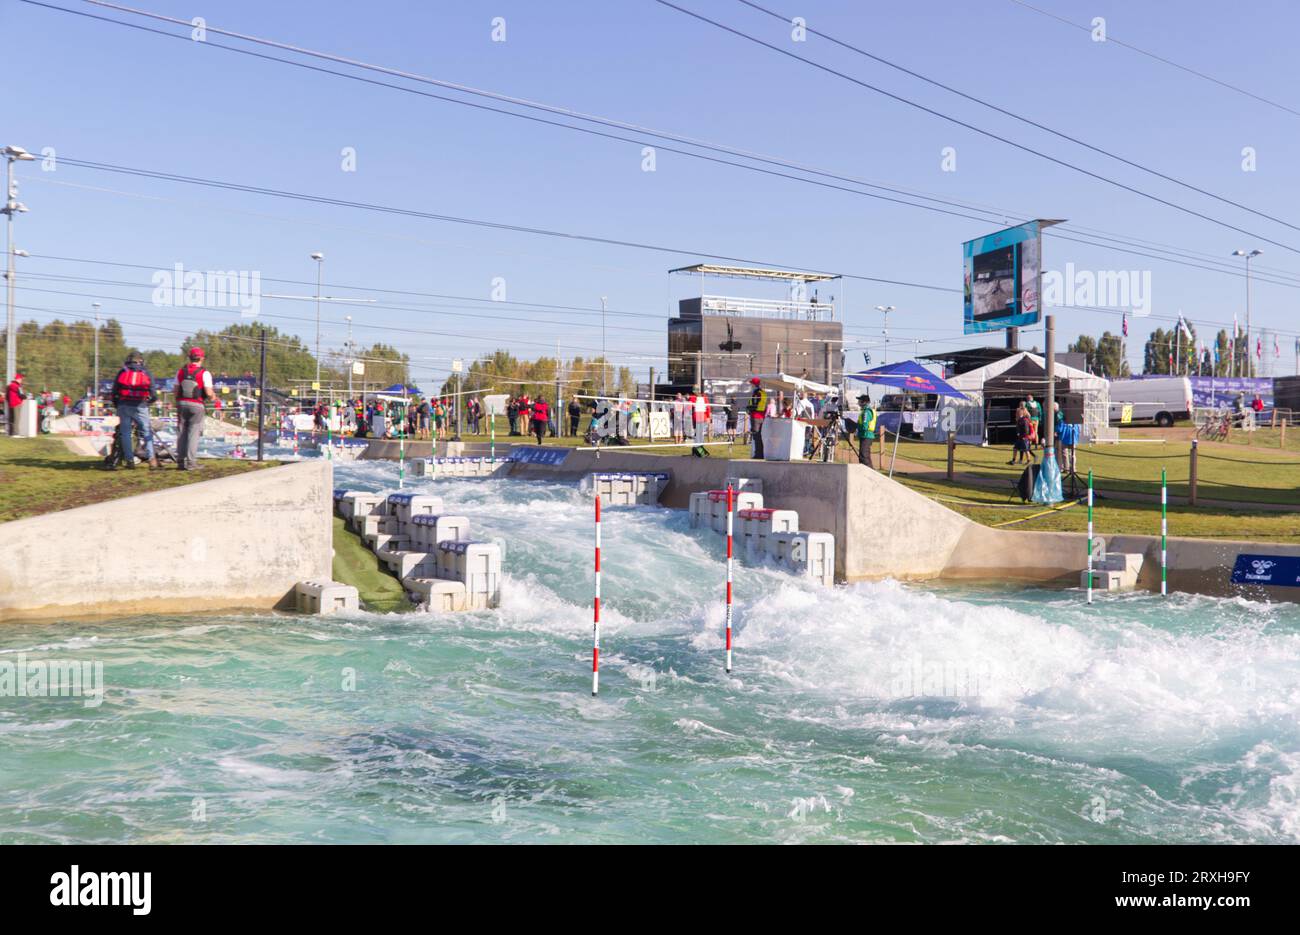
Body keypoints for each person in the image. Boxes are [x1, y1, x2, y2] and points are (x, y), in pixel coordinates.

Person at [111, 352, 159, 469]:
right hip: (140, 405)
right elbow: (153, 392)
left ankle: (129, 460)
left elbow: (114, 391)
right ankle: (152, 460)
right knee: (146, 431)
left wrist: (117, 404)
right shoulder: (145, 372)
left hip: (124, 405)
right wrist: (148, 402)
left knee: (126, 434)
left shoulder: (123, 371)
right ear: (141, 361)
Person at [175, 347, 215, 470]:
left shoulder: (181, 371)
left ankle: (180, 462)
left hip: (181, 403)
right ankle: (191, 463)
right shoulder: (205, 373)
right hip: (196, 405)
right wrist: (214, 396)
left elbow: (176, 390)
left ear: (190, 357)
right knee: (193, 434)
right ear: (201, 358)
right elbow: (208, 392)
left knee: (182, 433)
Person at [746, 377, 769, 459]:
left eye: (751, 383)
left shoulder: (757, 393)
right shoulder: (762, 393)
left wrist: (749, 409)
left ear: (754, 384)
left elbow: (756, 405)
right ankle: (759, 453)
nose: (751, 385)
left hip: (756, 416)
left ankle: (758, 454)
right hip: (760, 416)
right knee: (758, 435)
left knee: (756, 435)